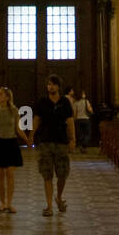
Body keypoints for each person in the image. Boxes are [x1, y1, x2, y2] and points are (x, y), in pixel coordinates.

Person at [31, 74, 75, 216]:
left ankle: (59, 197)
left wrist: (72, 139)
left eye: (54, 84)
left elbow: (70, 121)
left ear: (58, 87)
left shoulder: (65, 102)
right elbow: (37, 119)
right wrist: (31, 135)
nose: (51, 86)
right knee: (47, 174)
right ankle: (49, 205)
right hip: (46, 141)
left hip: (61, 141)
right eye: (49, 84)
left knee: (62, 174)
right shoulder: (42, 102)